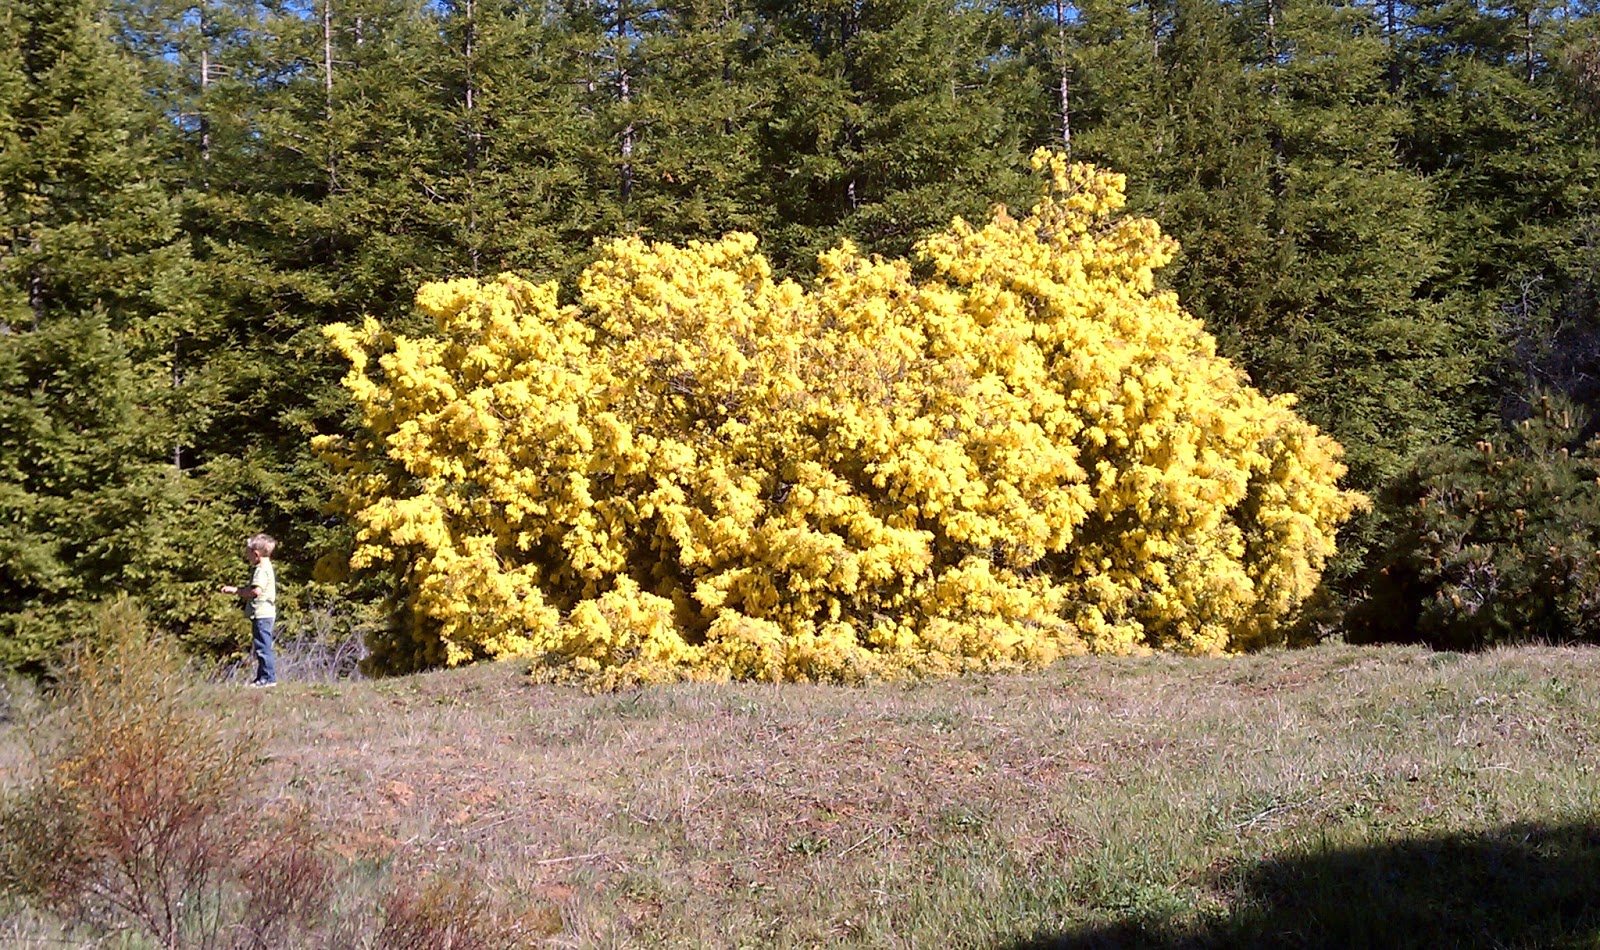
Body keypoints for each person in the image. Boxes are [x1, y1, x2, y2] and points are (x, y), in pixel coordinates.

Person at [219, 533, 278, 686]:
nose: (247, 556)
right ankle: (262, 678)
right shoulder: (267, 566)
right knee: (262, 645)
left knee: (263, 647)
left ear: (256, 554)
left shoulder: (260, 570)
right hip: (265, 614)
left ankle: (268, 679)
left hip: (262, 614)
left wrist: (236, 591)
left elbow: (256, 591)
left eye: (248, 553)